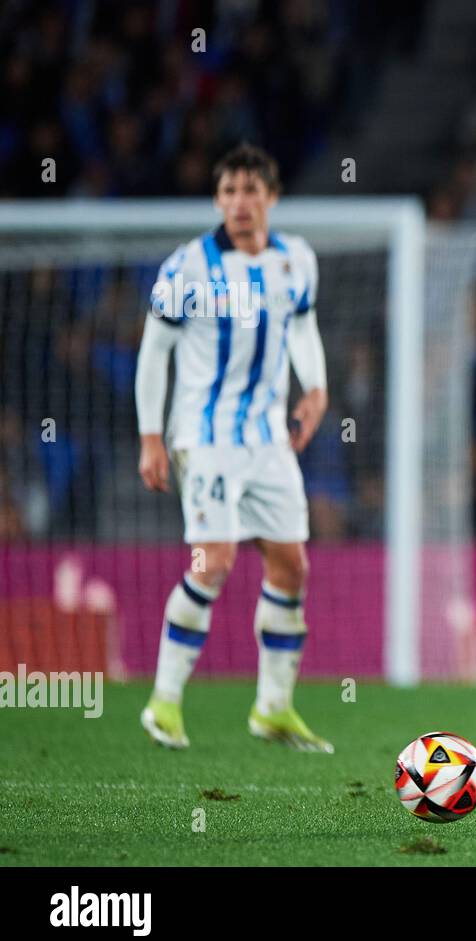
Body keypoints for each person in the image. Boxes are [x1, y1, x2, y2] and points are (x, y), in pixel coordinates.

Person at [135, 143, 333, 752]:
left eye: (250, 190)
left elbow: (301, 326)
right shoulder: (188, 267)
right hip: (206, 436)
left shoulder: (296, 260)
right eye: (228, 192)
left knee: (291, 566)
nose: (239, 203)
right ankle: (164, 702)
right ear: (217, 201)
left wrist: (317, 387)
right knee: (212, 562)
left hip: (270, 439)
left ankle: (273, 709)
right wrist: (151, 437)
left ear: (271, 196)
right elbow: (155, 351)